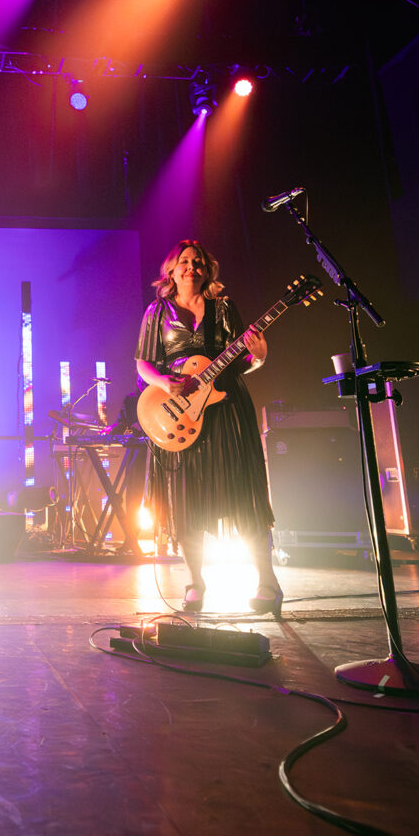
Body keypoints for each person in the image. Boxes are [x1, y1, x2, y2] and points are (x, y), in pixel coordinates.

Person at [135, 240, 281, 616]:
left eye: (198, 262)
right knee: (186, 500)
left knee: (243, 495)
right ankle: (195, 583)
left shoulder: (225, 307)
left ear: (208, 270)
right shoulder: (157, 311)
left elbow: (244, 360)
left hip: (227, 409)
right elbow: (144, 364)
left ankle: (267, 583)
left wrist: (259, 356)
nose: (191, 267)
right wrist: (167, 384)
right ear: (171, 270)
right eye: (184, 261)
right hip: (179, 414)